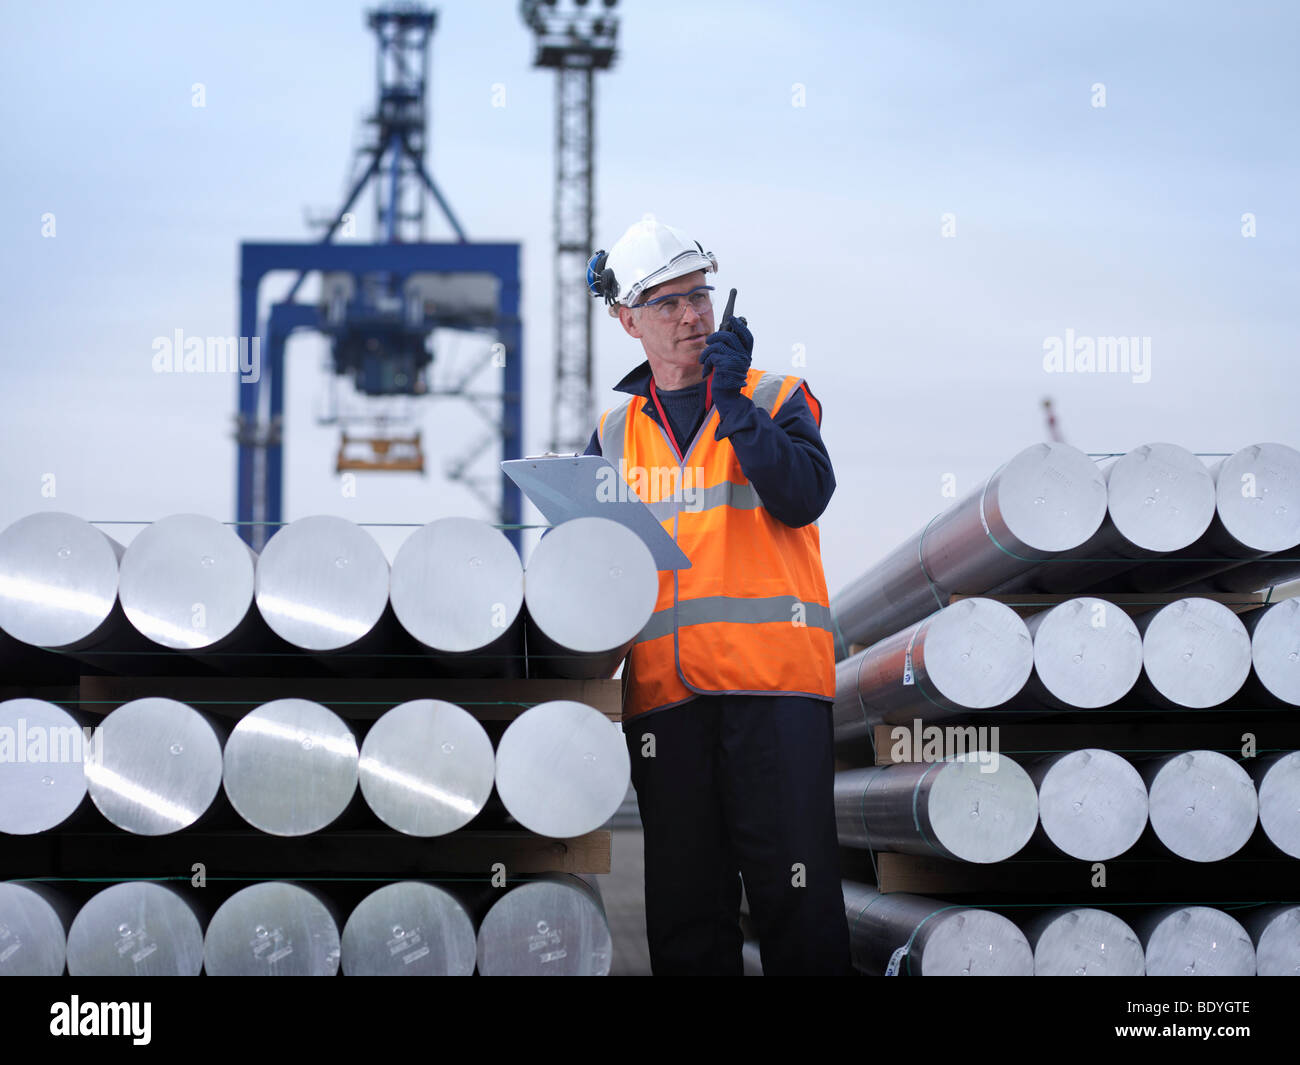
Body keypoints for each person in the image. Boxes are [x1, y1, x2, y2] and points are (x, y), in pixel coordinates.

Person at [582, 218, 852, 975]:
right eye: (667, 303)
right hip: (667, 706)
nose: (692, 315)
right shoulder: (611, 435)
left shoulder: (777, 396)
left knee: (797, 907)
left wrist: (736, 404)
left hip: (776, 695)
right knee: (687, 919)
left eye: (699, 294)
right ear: (627, 319)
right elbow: (590, 568)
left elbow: (800, 496)